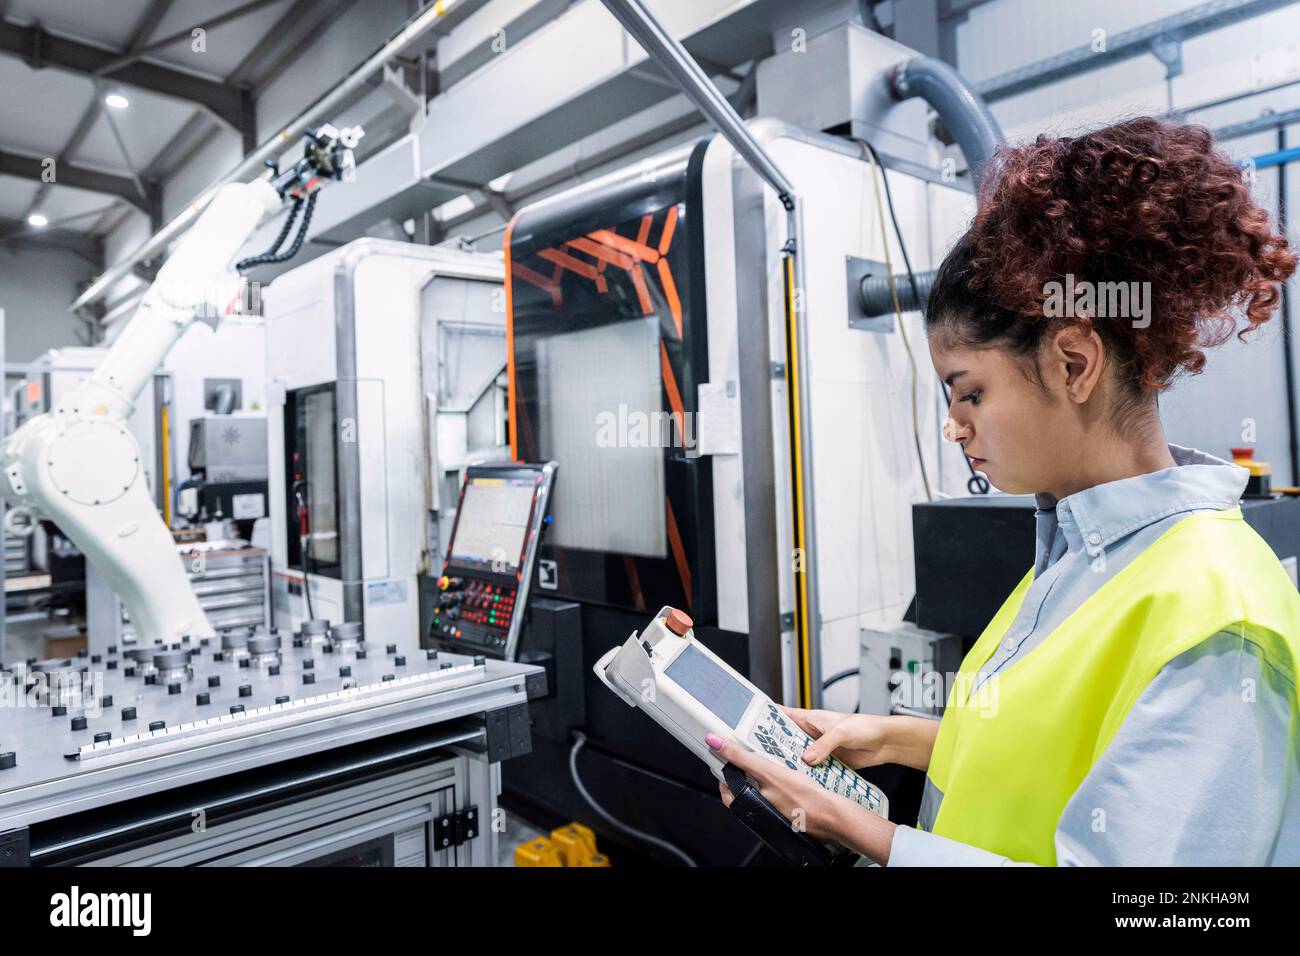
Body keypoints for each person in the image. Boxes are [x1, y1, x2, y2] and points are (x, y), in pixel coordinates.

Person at [707, 116, 1300, 865]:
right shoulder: (1079, 552)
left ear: (1074, 363)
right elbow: (1054, 749)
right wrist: (891, 735)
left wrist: (865, 833)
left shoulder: (1219, 622)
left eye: (970, 393)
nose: (955, 429)